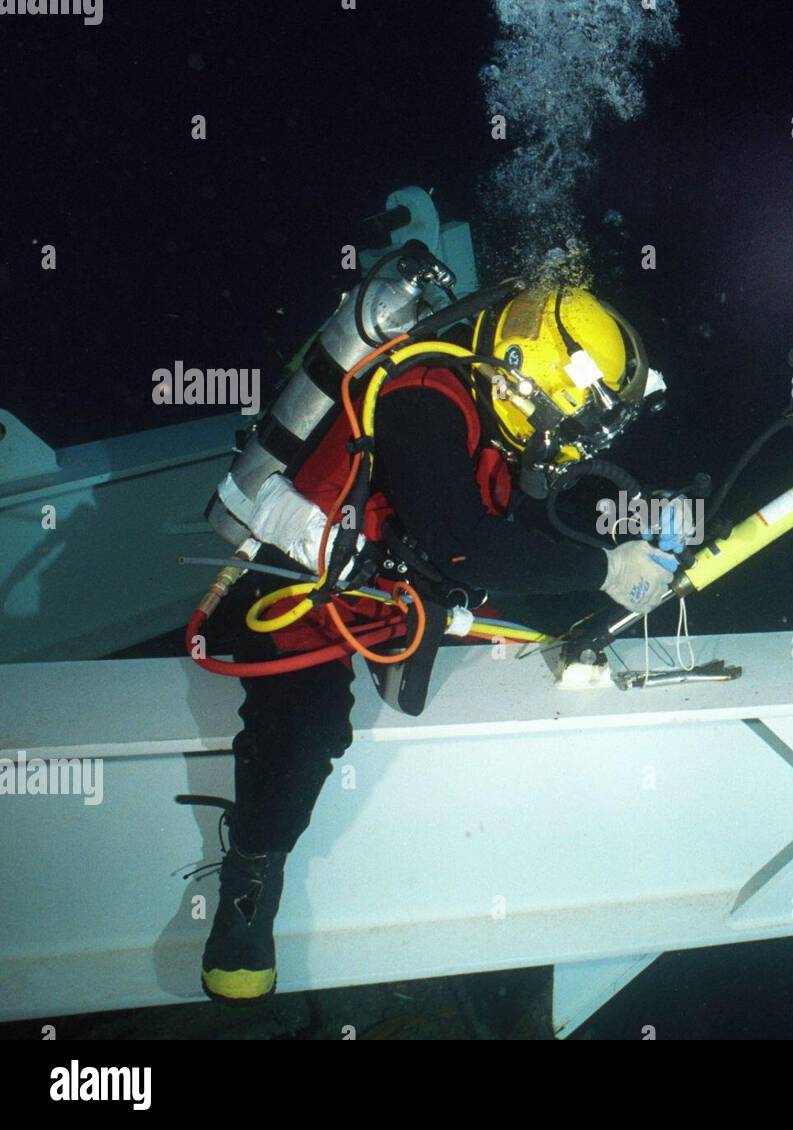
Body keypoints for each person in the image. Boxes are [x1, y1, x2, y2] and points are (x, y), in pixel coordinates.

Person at [200, 286, 677, 1003]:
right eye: (571, 419)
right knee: (306, 729)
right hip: (292, 584)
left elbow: (482, 534)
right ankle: (250, 870)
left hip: (379, 579)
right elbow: (462, 544)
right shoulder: (424, 398)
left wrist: (613, 554)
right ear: (529, 378)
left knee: (414, 679)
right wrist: (605, 570)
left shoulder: (493, 409)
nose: (572, 441)